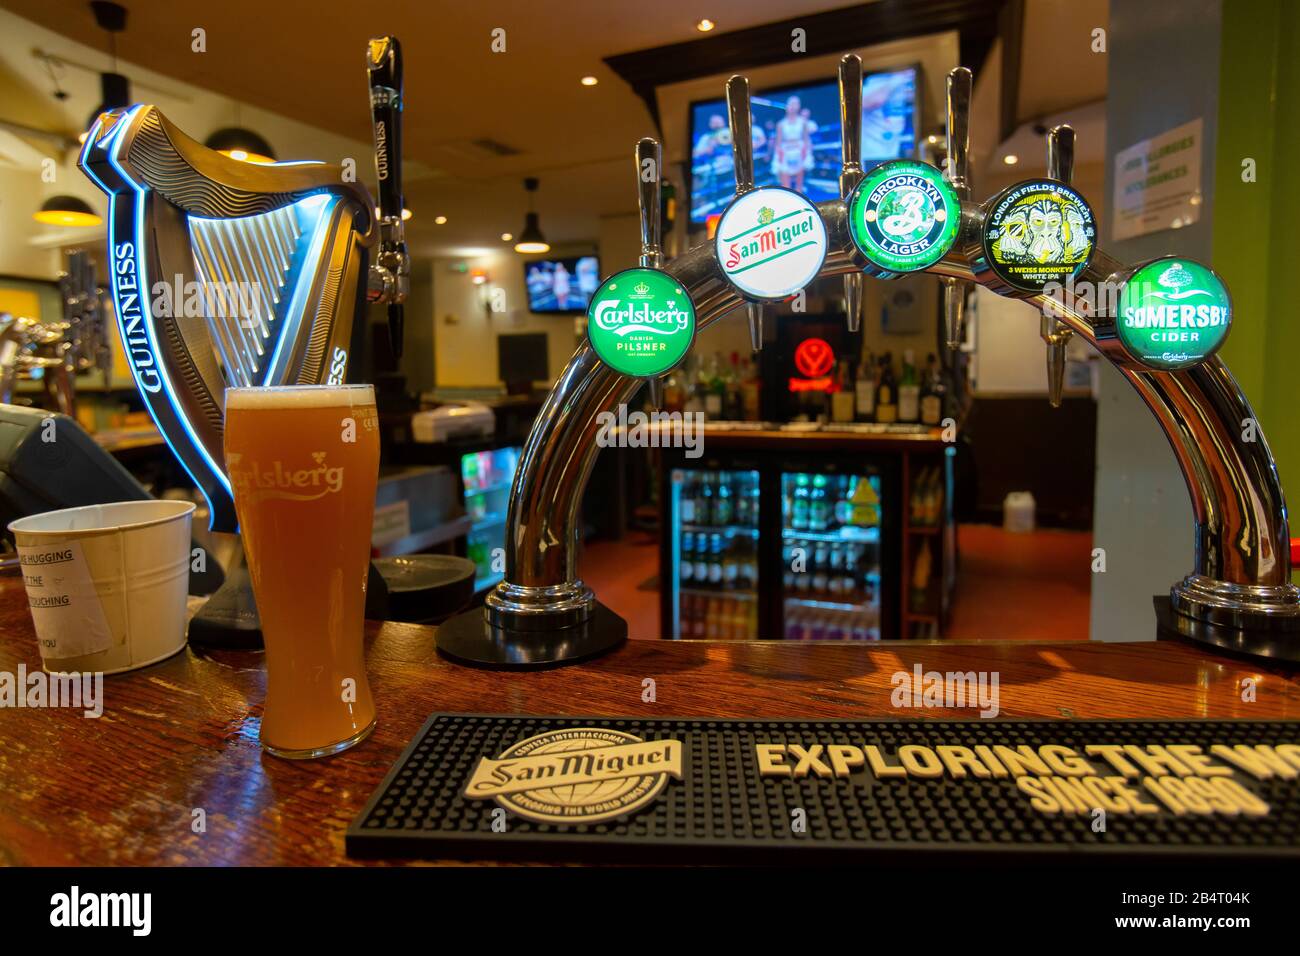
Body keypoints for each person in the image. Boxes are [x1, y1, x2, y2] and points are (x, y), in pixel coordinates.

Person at [771, 96, 813, 192]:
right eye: (791, 104)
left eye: (795, 104)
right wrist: (779, 155)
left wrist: (806, 152)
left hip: (799, 150)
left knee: (799, 182)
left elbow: (806, 139)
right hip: (785, 151)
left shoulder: (803, 122)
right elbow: (778, 142)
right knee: (785, 181)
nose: (793, 107)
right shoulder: (781, 124)